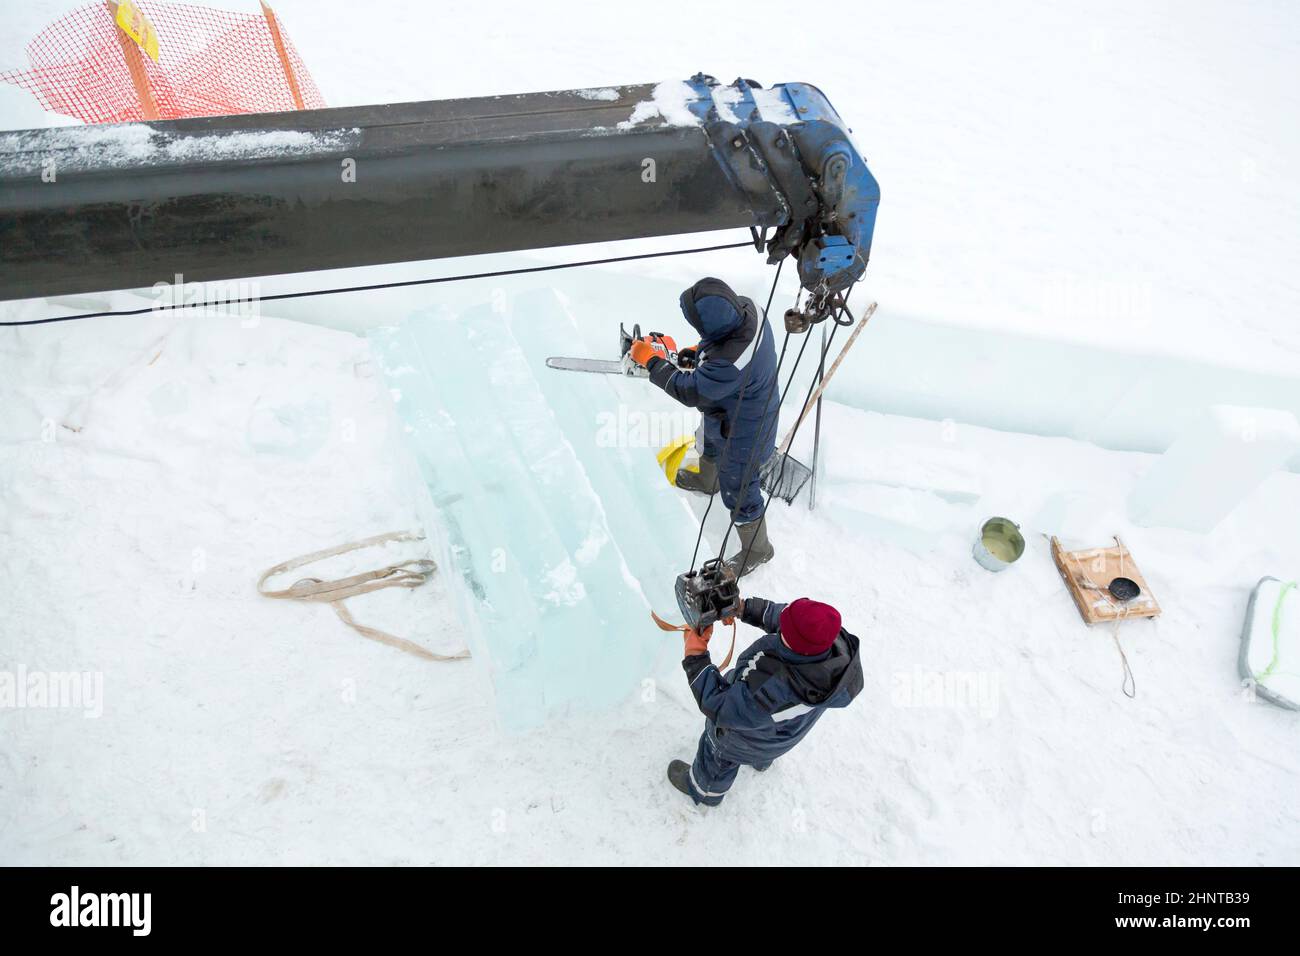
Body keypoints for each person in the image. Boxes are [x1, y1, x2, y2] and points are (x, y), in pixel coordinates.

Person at [628, 277, 779, 575]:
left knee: (740, 486)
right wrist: (699, 353)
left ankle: (758, 549)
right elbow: (721, 345)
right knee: (709, 438)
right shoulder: (749, 308)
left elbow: (689, 391)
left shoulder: (730, 364)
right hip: (726, 408)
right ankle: (709, 479)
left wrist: (653, 362)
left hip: (747, 428)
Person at [666, 595, 863, 806]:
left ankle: (704, 792)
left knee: (718, 756)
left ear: (795, 644)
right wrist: (741, 608)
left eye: (785, 626)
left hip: (740, 738)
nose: (781, 620)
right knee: (768, 733)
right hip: (780, 732)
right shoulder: (831, 643)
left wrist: (695, 655)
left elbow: (722, 708)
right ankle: (761, 761)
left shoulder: (773, 691)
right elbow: (784, 617)